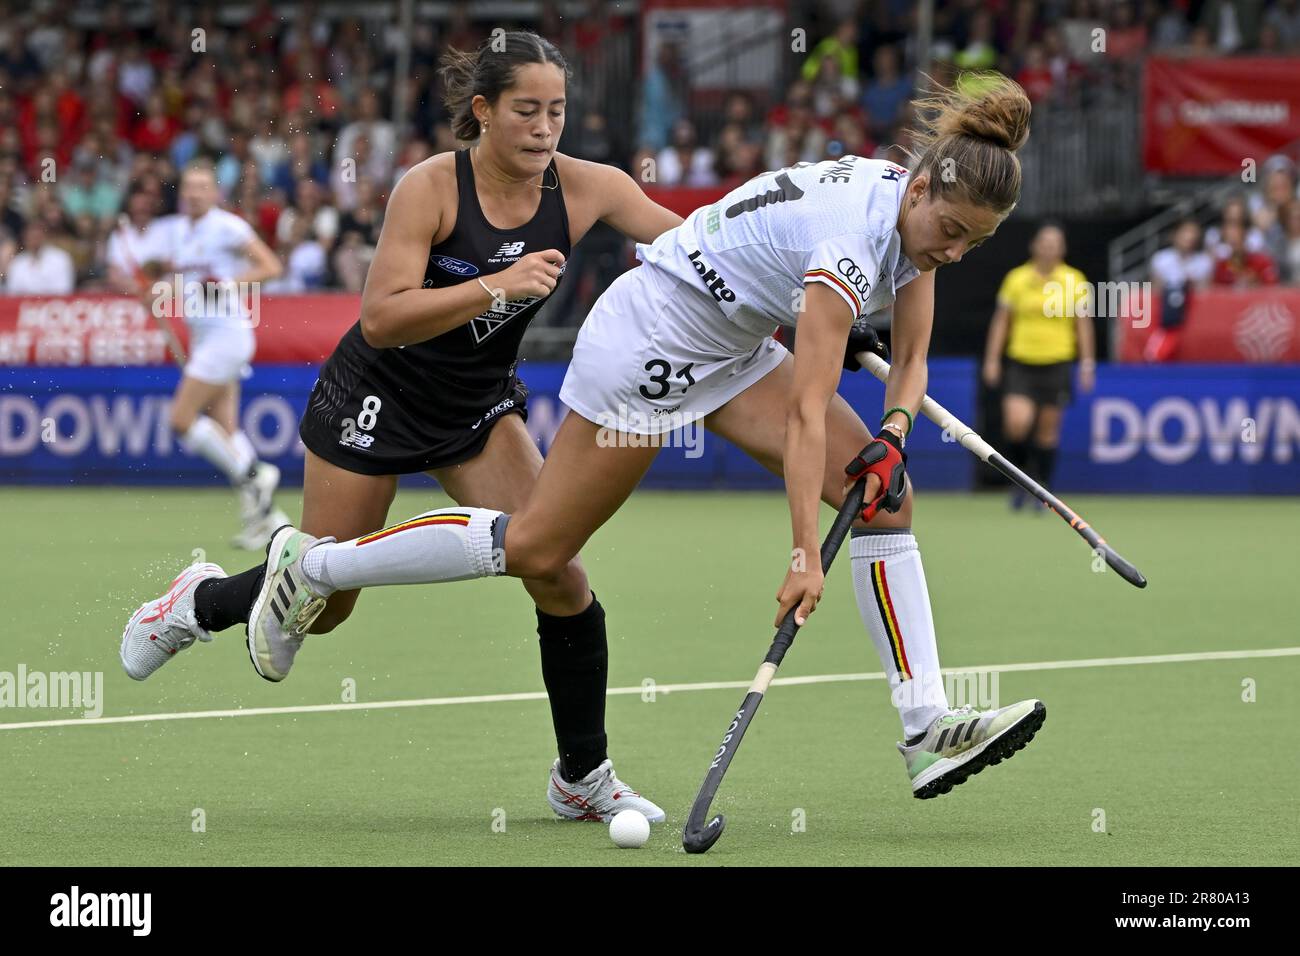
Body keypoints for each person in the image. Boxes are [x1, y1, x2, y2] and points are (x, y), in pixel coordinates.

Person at [196, 75, 1047, 803]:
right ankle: (313, 565)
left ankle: (925, 727)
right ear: (923, 185)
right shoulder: (850, 248)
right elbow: (804, 413)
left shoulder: (914, 216)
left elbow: (914, 356)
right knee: (538, 547)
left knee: (883, 495)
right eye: (953, 230)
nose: (958, 251)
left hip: (733, 343)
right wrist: (801, 553)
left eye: (978, 241)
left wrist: (893, 431)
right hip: (650, 347)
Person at [121, 32, 682, 825]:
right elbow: (381, 319)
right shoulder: (430, 187)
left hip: (476, 405)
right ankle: (197, 603)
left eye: (556, 111)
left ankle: (581, 778)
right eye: (526, 110)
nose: (544, 127)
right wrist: (496, 286)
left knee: (556, 568)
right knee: (330, 598)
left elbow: (694, 248)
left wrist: (791, 285)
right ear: (483, 111)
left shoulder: (590, 188)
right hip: (374, 397)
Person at [141, 159, 288, 547]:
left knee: (181, 419)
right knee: (226, 429)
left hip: (227, 336)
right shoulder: (180, 233)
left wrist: (226, 286)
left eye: (202, 187)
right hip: (205, 338)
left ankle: (254, 472)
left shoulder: (228, 226)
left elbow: (271, 266)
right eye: (188, 187)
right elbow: (186, 283)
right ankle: (270, 523)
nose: (193, 194)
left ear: (215, 192)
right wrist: (161, 291)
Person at [983, 222, 1094, 505]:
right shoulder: (1017, 279)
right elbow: (1001, 322)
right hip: (1022, 361)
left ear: (1062, 249)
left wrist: (1087, 362)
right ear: (1034, 246)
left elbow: (1083, 325)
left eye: (1054, 243)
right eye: (1044, 242)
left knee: (1047, 431)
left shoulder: (1074, 280)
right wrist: (992, 359)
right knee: (1016, 424)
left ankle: (1041, 489)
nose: (1048, 248)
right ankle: (1021, 480)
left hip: (1057, 362)